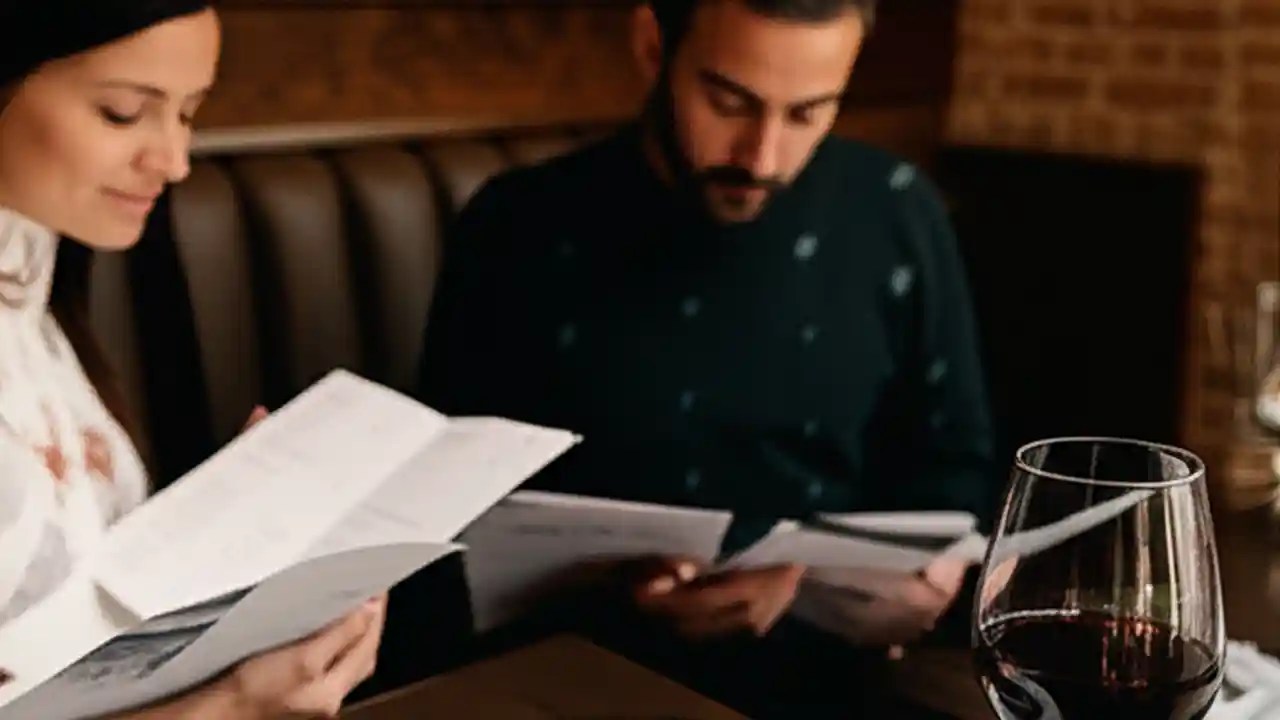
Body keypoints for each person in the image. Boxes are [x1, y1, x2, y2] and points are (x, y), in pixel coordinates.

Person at [416, 0, 997, 714]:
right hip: (569, 672)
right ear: (652, 45)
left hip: (826, 678)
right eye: (728, 102)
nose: (762, 158)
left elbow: (954, 465)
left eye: (809, 113)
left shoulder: (900, 214)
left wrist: (907, 579)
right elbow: (435, 514)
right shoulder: (517, 226)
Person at [0, 3, 386, 717]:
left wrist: (229, 540)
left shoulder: (41, 306)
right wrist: (229, 706)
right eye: (122, 113)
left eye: (187, 114)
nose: (174, 162)